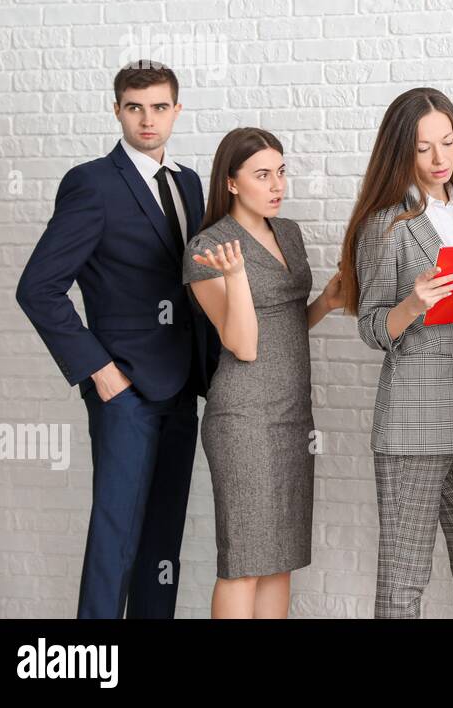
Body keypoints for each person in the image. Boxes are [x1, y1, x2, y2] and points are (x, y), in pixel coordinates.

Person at [15, 61, 219, 618]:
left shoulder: (188, 183)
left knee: (162, 544)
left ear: (177, 110)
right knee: (115, 540)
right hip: (124, 390)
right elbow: (38, 288)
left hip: (181, 387)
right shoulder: (93, 183)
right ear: (117, 111)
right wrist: (99, 372)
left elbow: (194, 284)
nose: (147, 119)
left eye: (158, 107)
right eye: (134, 107)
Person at [341, 87, 453, 619]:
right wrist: (413, 302)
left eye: (448, 143)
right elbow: (370, 325)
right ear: (400, 152)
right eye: (424, 148)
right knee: (405, 577)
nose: (440, 159)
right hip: (412, 422)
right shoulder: (386, 223)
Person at [183, 128, 343, 618]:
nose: (277, 185)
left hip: (294, 414)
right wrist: (234, 278)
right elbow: (244, 344)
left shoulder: (288, 232)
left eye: (280, 172)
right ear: (231, 183)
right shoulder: (208, 249)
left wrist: (328, 302)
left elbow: (287, 323)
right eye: (261, 175)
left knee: (280, 559)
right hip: (243, 418)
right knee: (245, 562)